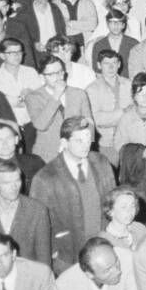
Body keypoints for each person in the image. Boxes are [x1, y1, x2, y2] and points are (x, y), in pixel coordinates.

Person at [29, 116, 117, 275]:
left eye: (88, 139)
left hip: (102, 248)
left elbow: (113, 202)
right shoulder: (45, 178)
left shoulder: (102, 162)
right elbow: (37, 224)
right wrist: (53, 252)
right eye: (78, 140)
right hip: (68, 255)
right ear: (64, 143)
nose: (86, 145)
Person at [0, 157, 53, 267]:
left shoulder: (37, 210)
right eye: (7, 183)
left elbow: (44, 257)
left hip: (27, 277)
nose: (14, 187)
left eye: (17, 180)